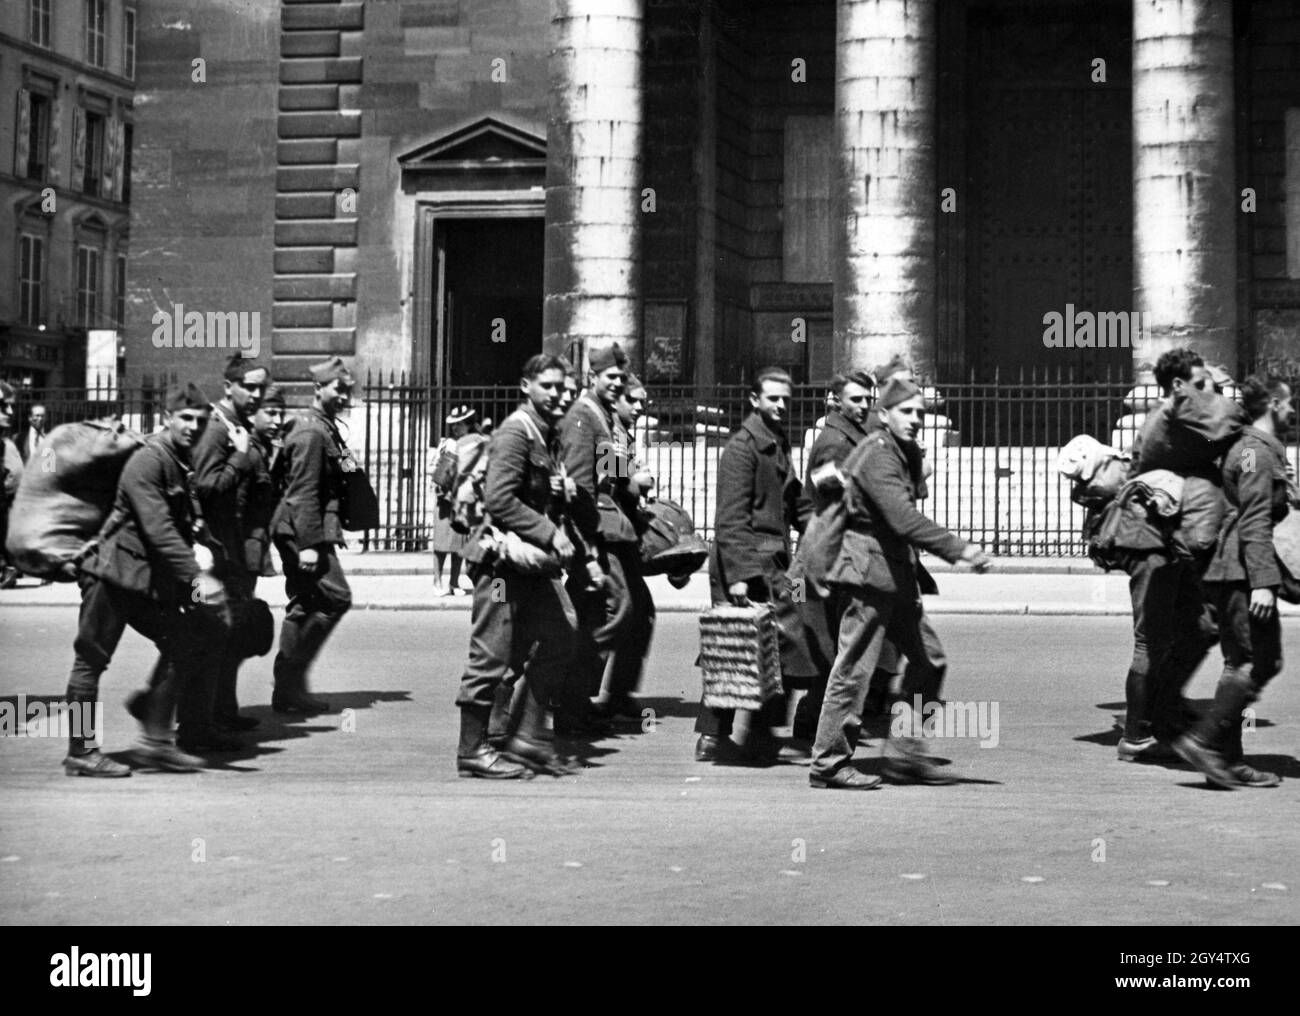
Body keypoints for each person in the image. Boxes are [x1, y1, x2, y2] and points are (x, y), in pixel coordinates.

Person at [809, 377, 990, 789]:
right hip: (869, 571)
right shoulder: (875, 453)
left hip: (896, 574)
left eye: (921, 413)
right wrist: (958, 549)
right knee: (854, 668)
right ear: (884, 415)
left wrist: (917, 462)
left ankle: (905, 755)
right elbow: (903, 518)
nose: (917, 420)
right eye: (907, 412)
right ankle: (829, 762)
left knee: (929, 660)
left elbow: (910, 499)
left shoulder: (897, 450)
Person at [67, 382, 228, 776]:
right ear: (166, 419)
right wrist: (197, 578)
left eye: (201, 421)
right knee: (91, 661)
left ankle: (154, 740)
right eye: (185, 418)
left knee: (187, 641)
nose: (193, 426)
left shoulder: (179, 461)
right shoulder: (148, 461)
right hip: (110, 573)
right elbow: (158, 530)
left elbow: (180, 526)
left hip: (143, 580)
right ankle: (80, 751)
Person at [455, 353, 578, 779]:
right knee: (491, 653)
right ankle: (472, 749)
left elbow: (530, 493)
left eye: (563, 386)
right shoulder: (515, 432)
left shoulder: (547, 434)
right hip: (502, 567)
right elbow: (499, 500)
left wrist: (561, 493)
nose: (558, 394)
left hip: (530, 566)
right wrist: (550, 532)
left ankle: (524, 736)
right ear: (526, 386)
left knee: (561, 636)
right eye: (548, 385)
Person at [695, 366, 819, 765]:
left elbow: (793, 497)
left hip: (771, 560)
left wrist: (815, 523)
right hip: (747, 561)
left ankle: (740, 735)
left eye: (786, 398)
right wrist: (741, 579)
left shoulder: (775, 442)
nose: (782, 405)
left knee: (759, 646)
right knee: (747, 645)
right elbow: (730, 519)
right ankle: (729, 736)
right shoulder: (742, 449)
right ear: (754, 400)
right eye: (773, 398)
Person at [1113, 348, 1230, 762]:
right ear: (1177, 386)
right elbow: (1224, 437)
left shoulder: (1178, 416)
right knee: (1151, 640)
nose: (1207, 393)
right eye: (1198, 385)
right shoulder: (1170, 417)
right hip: (1149, 543)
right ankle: (1135, 734)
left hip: (1171, 541)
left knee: (1200, 628)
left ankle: (1165, 705)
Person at [1177, 375, 1294, 788]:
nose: (1292, 410)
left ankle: (1225, 760)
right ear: (1273, 405)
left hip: (1230, 569)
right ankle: (1204, 741)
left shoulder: (1249, 450)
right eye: (1288, 402)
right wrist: (1264, 582)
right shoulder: (1255, 454)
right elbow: (1255, 520)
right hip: (1241, 571)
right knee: (1257, 660)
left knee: (1241, 660)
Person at [184, 354, 269, 744]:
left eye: (260, 388)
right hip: (212, 552)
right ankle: (199, 721)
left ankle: (222, 711)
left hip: (233, 551)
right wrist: (241, 456)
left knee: (229, 633)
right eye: (248, 386)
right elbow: (205, 487)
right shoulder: (218, 431)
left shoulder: (238, 426)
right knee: (210, 634)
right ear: (228, 387)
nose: (255, 394)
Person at [791, 369, 874, 746]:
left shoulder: (852, 437)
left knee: (828, 649)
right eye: (856, 399)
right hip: (823, 558)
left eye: (867, 399)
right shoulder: (834, 442)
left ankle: (814, 723)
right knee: (823, 649)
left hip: (832, 556)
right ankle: (810, 727)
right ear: (836, 400)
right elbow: (829, 501)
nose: (864, 405)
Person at [269, 356, 356, 714]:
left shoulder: (325, 427)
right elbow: (303, 492)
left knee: (305, 604)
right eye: (338, 388)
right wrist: (308, 545)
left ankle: (289, 689)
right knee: (337, 597)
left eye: (348, 389)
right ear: (318, 389)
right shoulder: (310, 432)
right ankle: (290, 678)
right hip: (302, 530)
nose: (344, 395)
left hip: (307, 528)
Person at [555, 343, 634, 734]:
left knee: (594, 614)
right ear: (593, 378)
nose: (618, 384)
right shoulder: (582, 418)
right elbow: (581, 487)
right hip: (593, 531)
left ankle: (573, 703)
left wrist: (632, 479)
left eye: (622, 378)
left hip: (608, 526)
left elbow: (615, 479)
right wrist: (586, 548)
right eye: (612, 378)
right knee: (613, 610)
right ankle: (569, 700)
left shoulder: (602, 417)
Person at [598, 373, 656, 718]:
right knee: (618, 613)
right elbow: (612, 478)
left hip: (623, 533)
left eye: (641, 402)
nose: (638, 407)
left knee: (640, 613)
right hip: (609, 535)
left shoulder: (624, 434)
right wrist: (637, 481)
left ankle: (619, 693)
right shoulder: (608, 431)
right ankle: (574, 691)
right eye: (632, 400)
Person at [429, 406, 488, 596]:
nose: (455, 428)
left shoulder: (472, 443)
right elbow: (435, 470)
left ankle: (454, 582)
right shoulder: (447, 444)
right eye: (453, 425)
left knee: (458, 544)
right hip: (447, 498)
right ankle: (437, 582)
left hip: (462, 499)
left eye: (459, 424)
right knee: (441, 544)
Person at [0, 384, 23, 589]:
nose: (10, 412)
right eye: (3, 406)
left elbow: (16, 476)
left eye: (10, 406)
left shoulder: (7, 444)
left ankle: (8, 568)